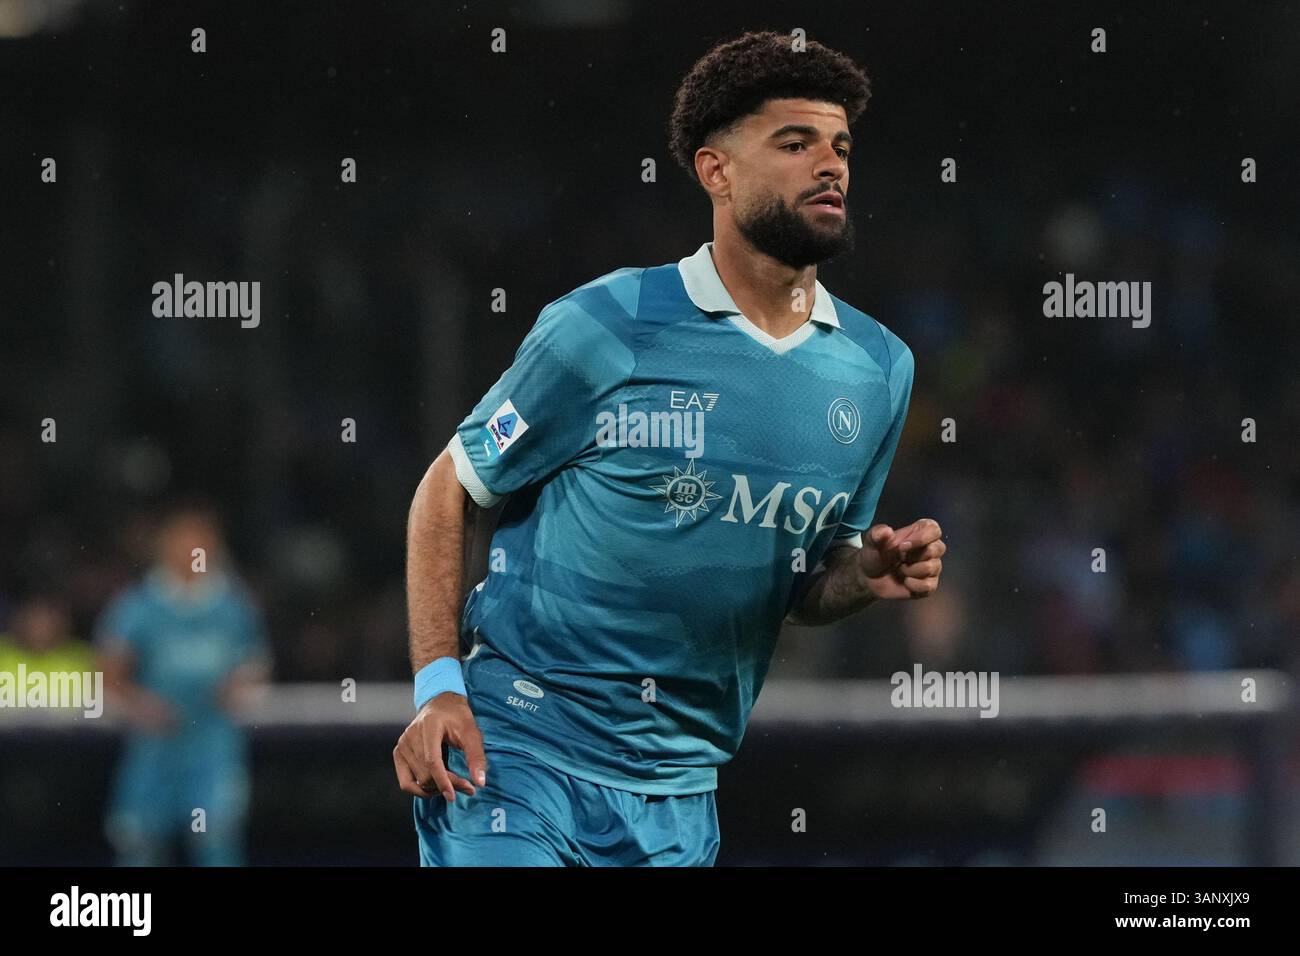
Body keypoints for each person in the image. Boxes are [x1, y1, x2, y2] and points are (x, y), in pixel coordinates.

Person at [396, 30, 944, 866]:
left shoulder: (878, 370)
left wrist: (864, 576)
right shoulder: (608, 324)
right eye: (793, 144)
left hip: (681, 799)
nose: (829, 166)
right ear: (715, 171)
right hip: (515, 755)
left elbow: (805, 587)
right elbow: (452, 485)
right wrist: (438, 689)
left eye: (840, 147)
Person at [95, 500, 270, 866]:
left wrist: (238, 685)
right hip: (155, 746)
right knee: (139, 843)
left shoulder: (232, 605)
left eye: (201, 542)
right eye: (183, 542)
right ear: (163, 547)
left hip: (213, 743)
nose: (192, 551)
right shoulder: (139, 605)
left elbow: (256, 663)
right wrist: (141, 705)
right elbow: (109, 673)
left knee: (217, 840)